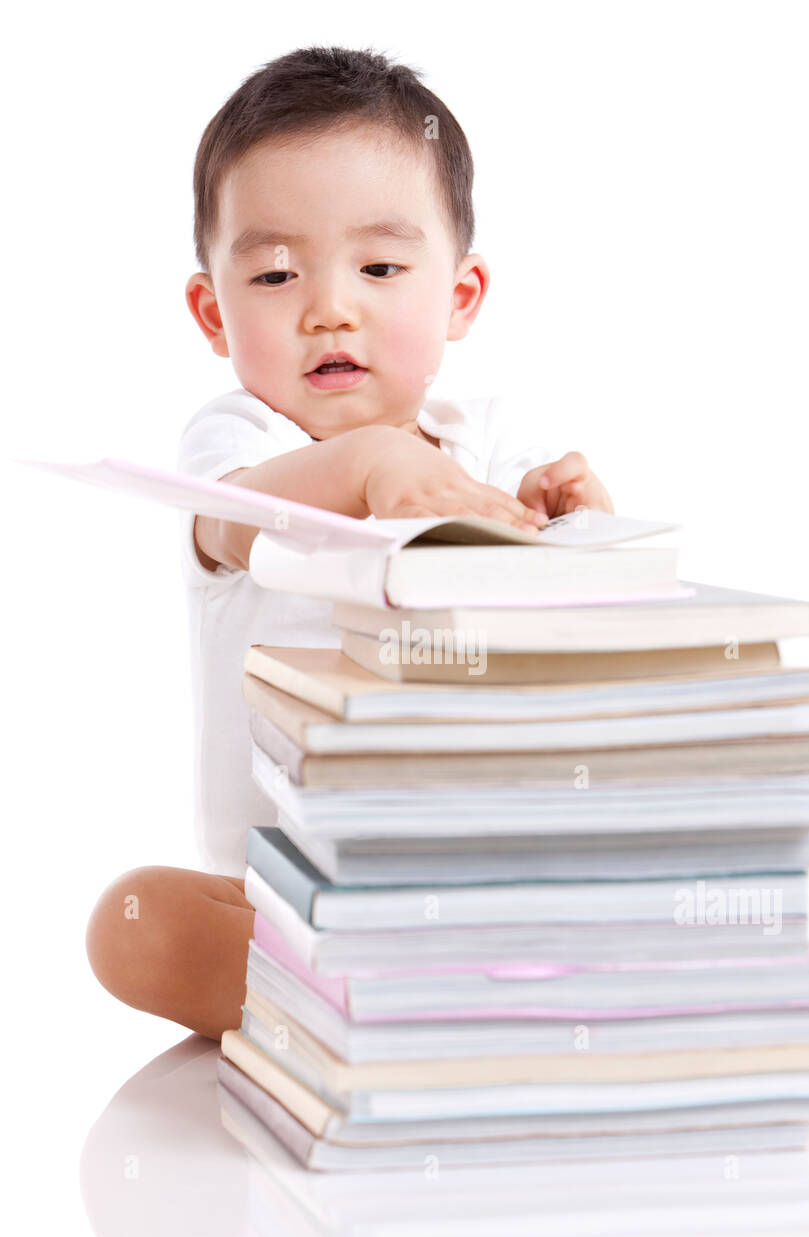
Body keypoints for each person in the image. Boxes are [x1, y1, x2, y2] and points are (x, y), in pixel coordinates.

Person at [86, 46, 614, 1042]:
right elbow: (234, 515)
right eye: (277, 272)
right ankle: (411, 1011)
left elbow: (595, 623)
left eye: (379, 267)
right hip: (295, 899)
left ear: (458, 295)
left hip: (471, 871)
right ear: (213, 310)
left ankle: (450, 995)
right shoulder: (240, 440)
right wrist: (367, 460)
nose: (331, 305)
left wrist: (573, 516)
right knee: (136, 926)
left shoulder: (491, 441)